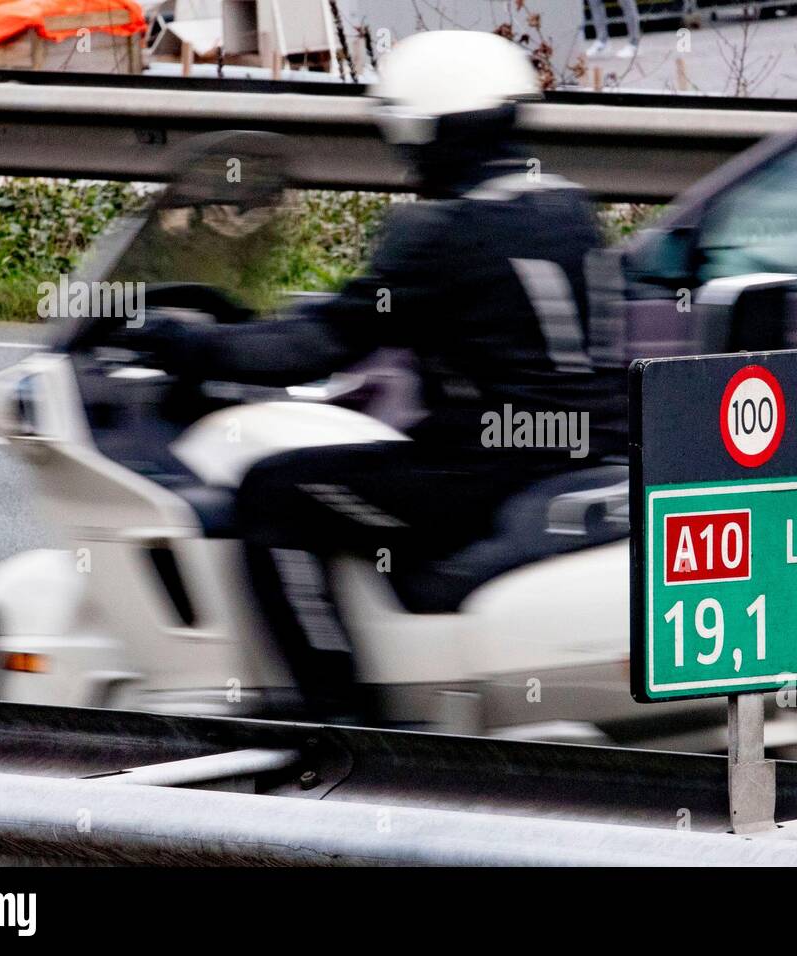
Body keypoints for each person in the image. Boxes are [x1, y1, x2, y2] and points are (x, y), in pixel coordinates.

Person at [135, 31, 628, 713]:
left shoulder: (442, 230)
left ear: (424, 133)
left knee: (274, 493)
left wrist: (189, 345)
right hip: (594, 448)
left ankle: (332, 716)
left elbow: (322, 345)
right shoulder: (570, 207)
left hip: (488, 469)